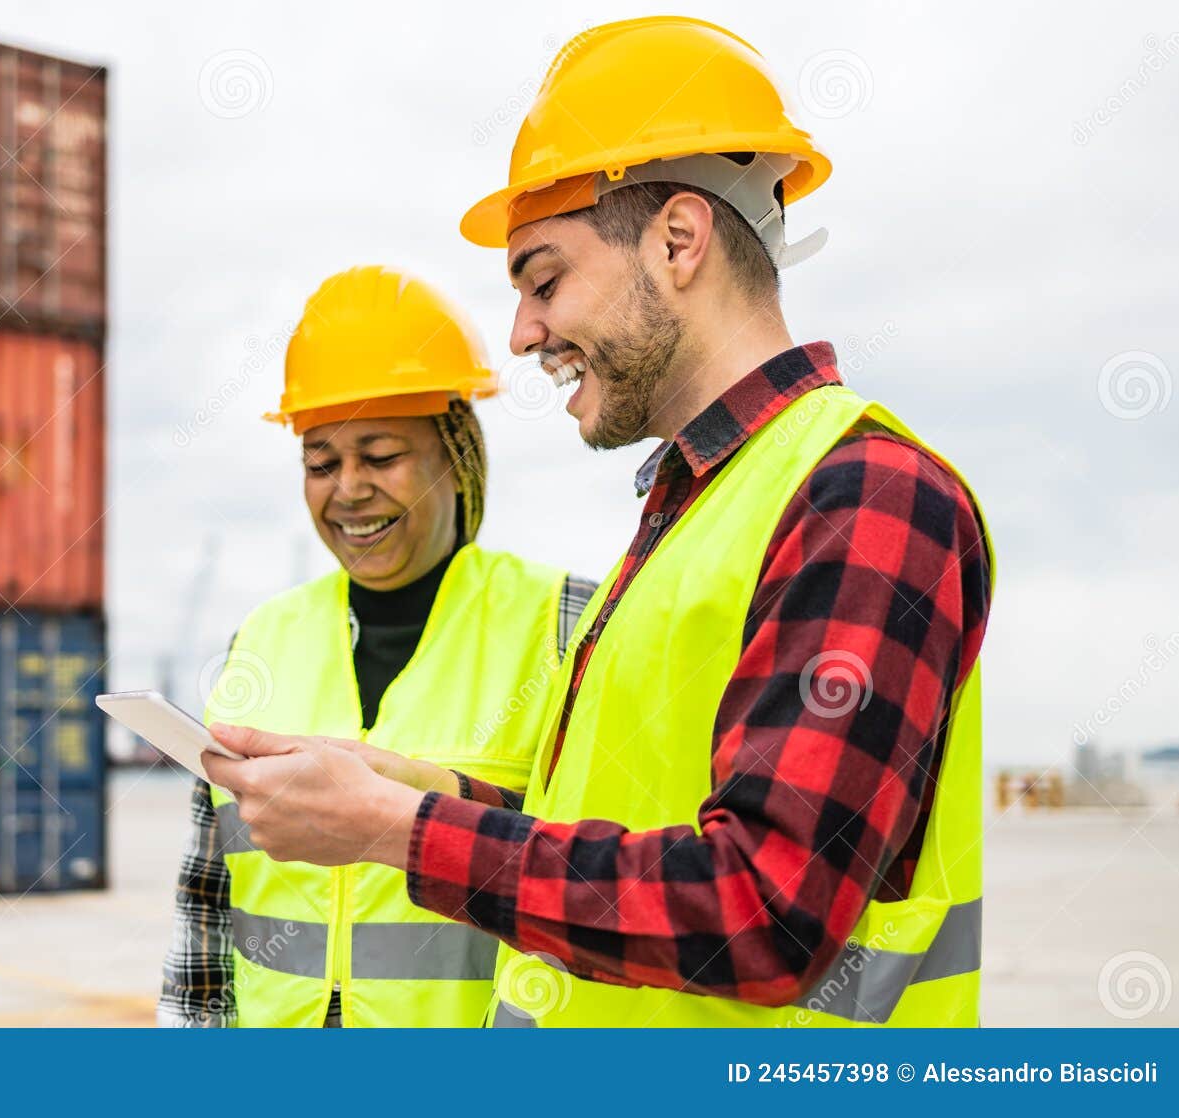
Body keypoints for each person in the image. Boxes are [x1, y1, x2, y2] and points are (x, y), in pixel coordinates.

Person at [203, 17, 995, 1028]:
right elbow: (629, 840)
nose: (524, 332)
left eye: (543, 279)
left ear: (677, 241)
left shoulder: (867, 497)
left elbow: (761, 911)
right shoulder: (696, 510)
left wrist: (400, 828)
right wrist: (427, 793)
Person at [158, 265, 596, 1027]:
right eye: (321, 462)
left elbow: (610, 873)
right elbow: (206, 904)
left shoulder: (566, 621)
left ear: (456, 457)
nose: (348, 489)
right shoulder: (260, 642)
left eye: (381, 455)